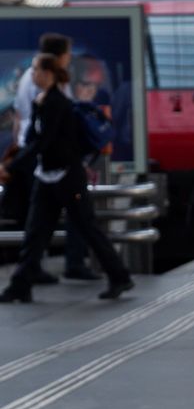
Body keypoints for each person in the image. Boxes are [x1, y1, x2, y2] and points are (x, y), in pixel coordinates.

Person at [0, 54, 134, 304]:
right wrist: (15, 162)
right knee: (35, 233)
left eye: (36, 69)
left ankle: (119, 276)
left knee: (87, 228)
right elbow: (32, 139)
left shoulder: (58, 103)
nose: (33, 74)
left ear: (49, 73)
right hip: (47, 176)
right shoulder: (41, 101)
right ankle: (20, 285)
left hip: (67, 177)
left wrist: (12, 165)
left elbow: (44, 141)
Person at [10, 33, 96, 283]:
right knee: (73, 218)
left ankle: (29, 272)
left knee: (40, 220)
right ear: (58, 57)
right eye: (67, 53)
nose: (70, 58)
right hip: (48, 160)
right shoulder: (48, 84)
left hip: (40, 157)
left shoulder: (40, 80)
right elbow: (48, 130)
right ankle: (87, 265)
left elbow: (19, 116)